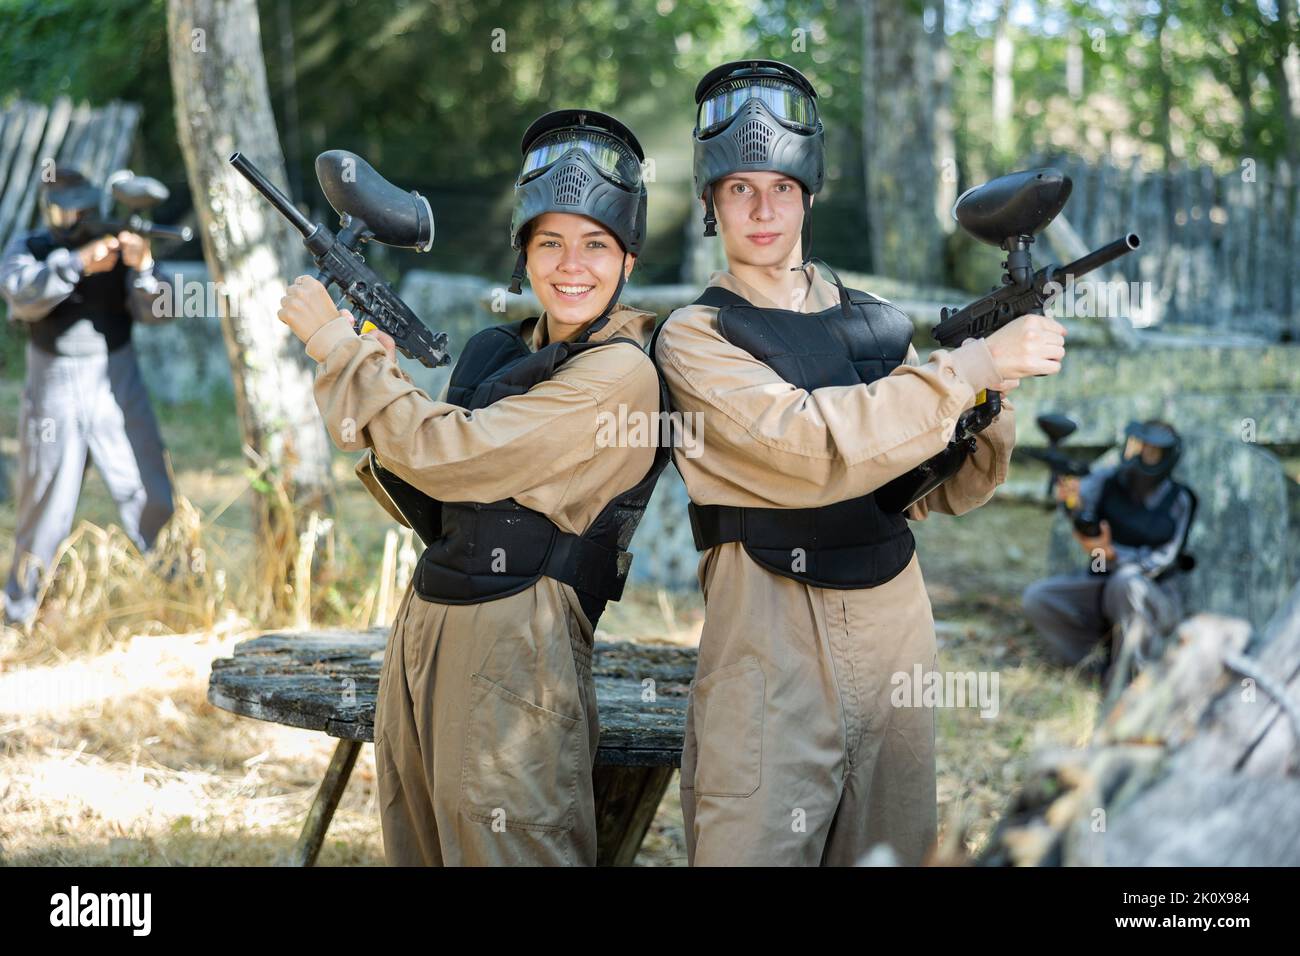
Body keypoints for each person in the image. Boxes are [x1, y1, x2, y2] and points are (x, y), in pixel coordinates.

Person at [653, 59, 1067, 865]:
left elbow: (939, 492)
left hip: (894, 629)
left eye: (780, 187)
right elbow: (808, 447)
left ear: (809, 193)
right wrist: (965, 372)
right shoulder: (696, 337)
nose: (763, 208)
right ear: (711, 204)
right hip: (768, 637)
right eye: (739, 189)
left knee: (891, 849)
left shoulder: (880, 325)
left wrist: (987, 400)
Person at [276, 110, 667, 866]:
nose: (571, 265)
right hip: (429, 624)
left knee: (512, 845)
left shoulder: (621, 374)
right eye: (549, 242)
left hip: (520, 645)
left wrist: (333, 343)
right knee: (419, 840)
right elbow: (417, 482)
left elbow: (455, 453)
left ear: (628, 260)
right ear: (524, 252)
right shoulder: (508, 351)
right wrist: (369, 366)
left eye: (595, 244)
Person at [2, 166, 176, 628]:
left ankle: (180, 593)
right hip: (52, 382)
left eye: (82, 209)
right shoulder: (32, 246)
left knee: (149, 489)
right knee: (43, 499)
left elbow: (164, 311)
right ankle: (20, 612)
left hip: (116, 380)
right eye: (65, 209)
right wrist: (78, 263)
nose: (74, 217)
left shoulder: (122, 245)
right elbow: (19, 294)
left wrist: (143, 267)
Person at [1022, 420, 1195, 681]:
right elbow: (1082, 508)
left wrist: (1112, 554)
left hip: (1154, 597)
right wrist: (1072, 501)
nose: (1138, 455)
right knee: (1038, 599)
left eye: (1150, 451)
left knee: (1125, 582)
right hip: (1100, 584)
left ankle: (1136, 678)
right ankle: (1094, 670)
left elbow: (1160, 562)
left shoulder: (1180, 500)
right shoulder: (1107, 479)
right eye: (1136, 447)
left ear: (1166, 457)